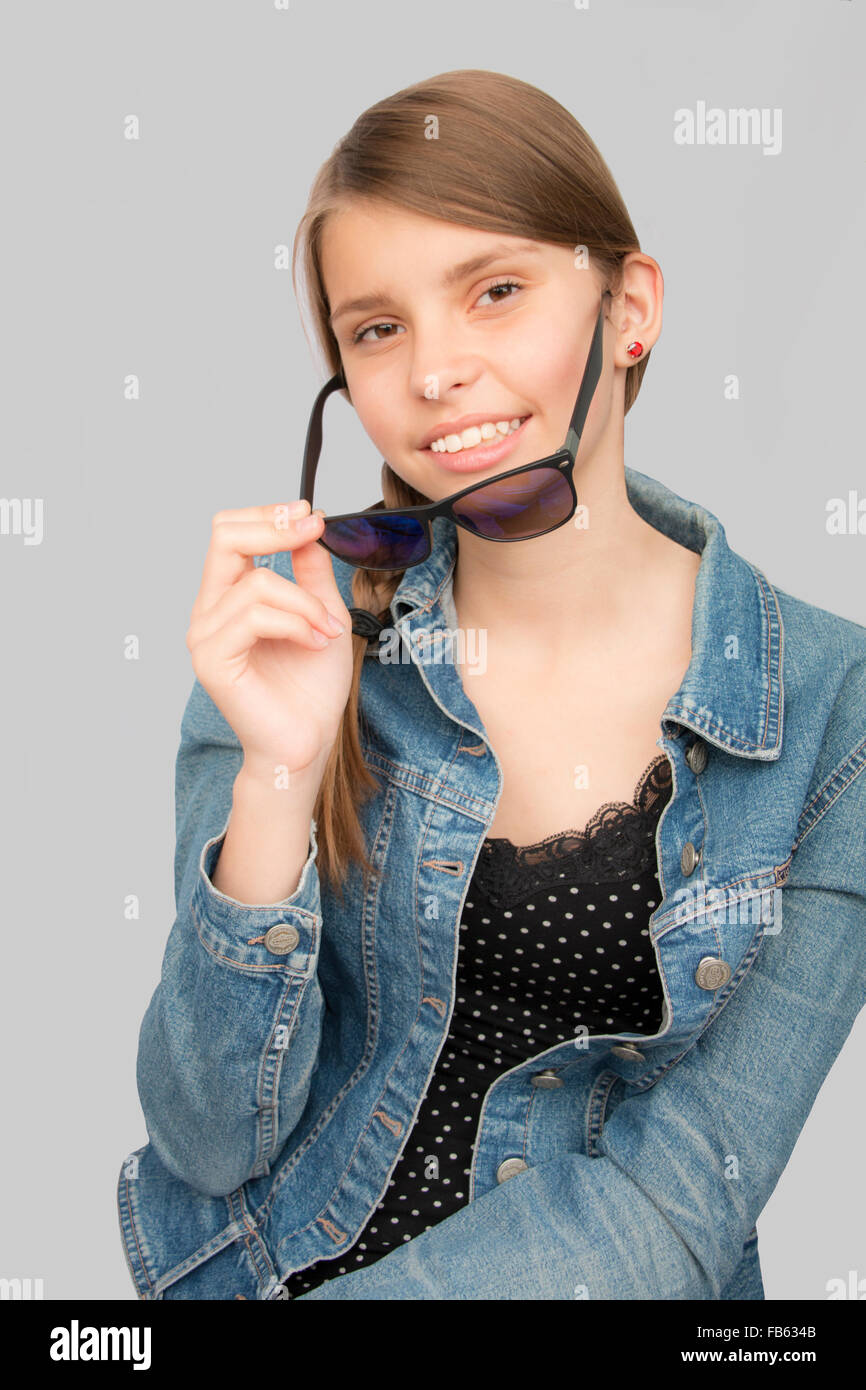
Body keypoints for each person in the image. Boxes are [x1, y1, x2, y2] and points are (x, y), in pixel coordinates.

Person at [118, 69, 866, 1301]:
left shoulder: (834, 710)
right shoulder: (295, 635)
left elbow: (681, 1193)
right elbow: (207, 1140)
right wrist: (276, 773)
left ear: (629, 309)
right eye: (376, 328)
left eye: (496, 292)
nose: (433, 372)